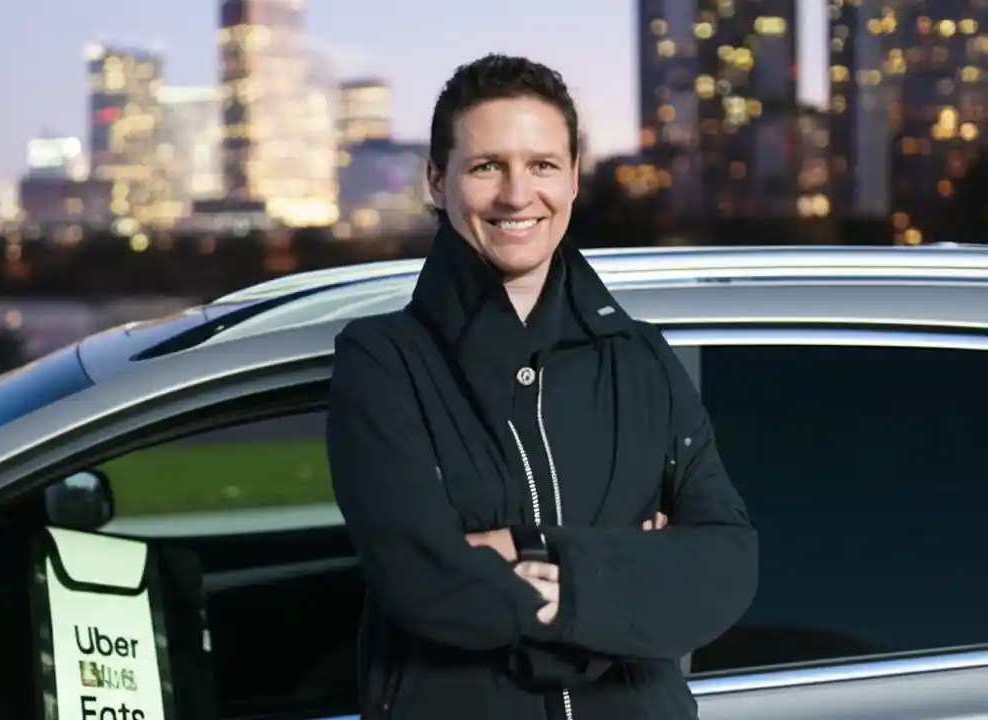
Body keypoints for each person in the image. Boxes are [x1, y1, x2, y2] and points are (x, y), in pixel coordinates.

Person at [325, 54, 758, 719]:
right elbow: (423, 583)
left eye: (542, 165)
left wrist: (524, 554)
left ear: (574, 179)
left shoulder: (639, 358)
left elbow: (727, 565)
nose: (517, 195)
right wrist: (629, 580)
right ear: (438, 182)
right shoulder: (383, 362)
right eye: (486, 166)